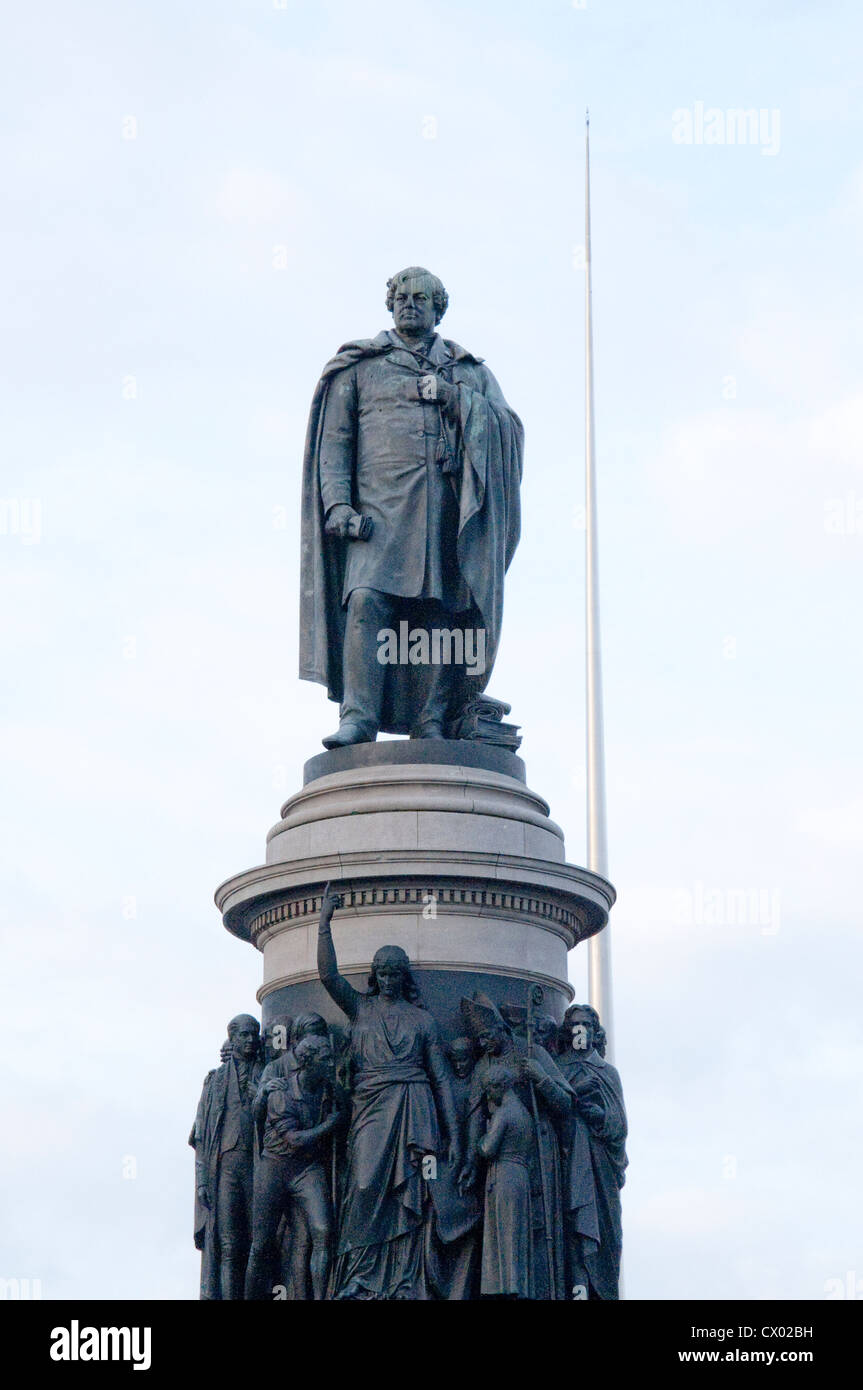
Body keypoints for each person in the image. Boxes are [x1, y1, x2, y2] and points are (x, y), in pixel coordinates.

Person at [299, 266, 523, 746]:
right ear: (390, 304)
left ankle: (431, 721)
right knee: (366, 602)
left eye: (421, 298)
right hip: (376, 519)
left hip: (444, 517)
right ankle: (358, 718)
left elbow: (508, 430)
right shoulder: (359, 367)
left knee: (438, 613)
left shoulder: (469, 372)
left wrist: (456, 398)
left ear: (438, 308)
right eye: (401, 297)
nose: (409, 304)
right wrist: (337, 504)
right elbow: (334, 442)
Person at [317, 883, 461, 1298]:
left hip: (413, 1107)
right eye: (382, 974)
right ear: (374, 976)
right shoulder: (359, 1008)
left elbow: (441, 1079)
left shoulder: (422, 1021)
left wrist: (452, 1133)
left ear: (404, 976)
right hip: (371, 1109)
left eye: (395, 974)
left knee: (410, 1192)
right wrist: (324, 922)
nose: (388, 980)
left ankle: (403, 1280)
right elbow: (328, 976)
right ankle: (359, 1279)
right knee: (363, 1186)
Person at [460, 993, 572, 1300]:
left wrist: (541, 1078)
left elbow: (565, 1104)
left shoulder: (532, 1052)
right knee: (503, 1233)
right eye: (479, 1039)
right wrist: (470, 1161)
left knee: (537, 1233)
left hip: (537, 1156)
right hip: (500, 1161)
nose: (483, 1044)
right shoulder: (484, 1066)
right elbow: (474, 1115)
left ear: (502, 1029)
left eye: (487, 1036)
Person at [244, 1035, 341, 1302]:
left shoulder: (329, 1089)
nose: (331, 1064)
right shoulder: (280, 1092)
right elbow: (294, 1139)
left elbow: (343, 1111)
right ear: (309, 1062)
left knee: (323, 1231)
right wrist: (330, 1124)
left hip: (306, 1169)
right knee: (261, 1245)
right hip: (275, 1167)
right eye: (325, 1059)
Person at [189, 1014, 263, 1299]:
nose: (250, 1040)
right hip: (224, 1169)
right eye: (244, 1035)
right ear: (232, 1039)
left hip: (258, 1167)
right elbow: (200, 1136)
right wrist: (202, 1181)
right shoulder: (215, 1081)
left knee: (258, 1242)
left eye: (254, 1034)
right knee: (228, 1245)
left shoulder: (266, 1073)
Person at [557, 1004, 628, 1300]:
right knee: (571, 1228)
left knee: (606, 1232)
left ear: (594, 1032)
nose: (580, 1030)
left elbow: (620, 1125)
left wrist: (600, 1116)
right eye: (575, 1024)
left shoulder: (607, 1073)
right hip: (568, 1161)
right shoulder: (558, 1068)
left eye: (586, 1025)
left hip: (600, 1165)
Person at [477, 1065, 534, 1300]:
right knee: (517, 1232)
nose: (489, 1096)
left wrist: (483, 1135)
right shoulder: (525, 1113)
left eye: (489, 1090)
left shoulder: (504, 1113)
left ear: (499, 1087)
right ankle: (517, 1285)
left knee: (504, 1232)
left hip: (504, 1176)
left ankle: (507, 1287)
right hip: (520, 1176)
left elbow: (487, 1149)